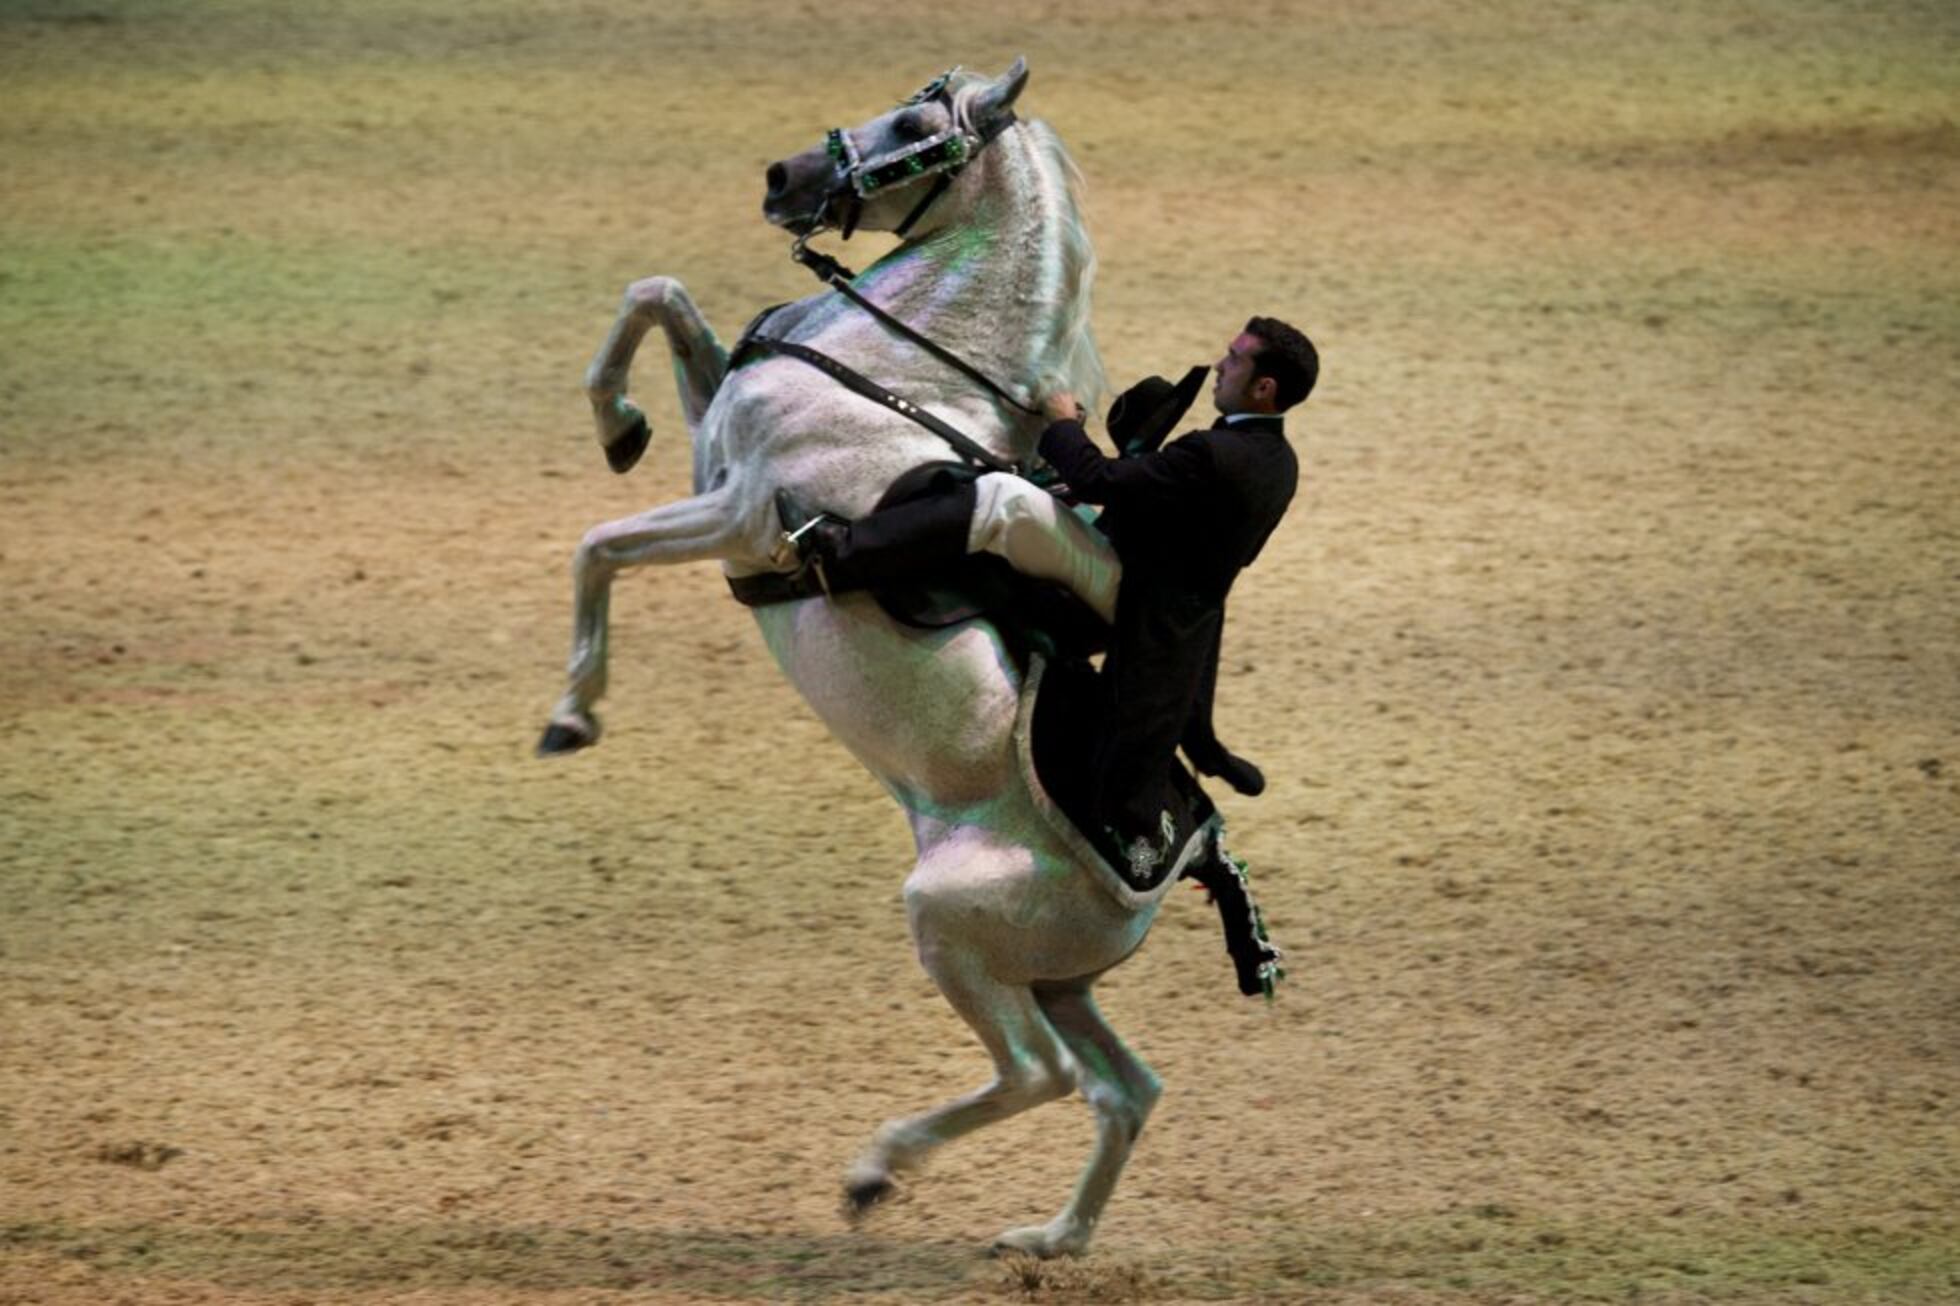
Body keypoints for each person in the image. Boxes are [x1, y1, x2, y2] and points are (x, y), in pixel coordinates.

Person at [780, 316, 1318, 875]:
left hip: (1130, 594)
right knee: (1039, 495)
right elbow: (1167, 510)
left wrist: (1063, 425)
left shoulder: (1215, 452)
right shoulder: (1279, 461)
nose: (1221, 365)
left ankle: (838, 551)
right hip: (1170, 598)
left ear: (1264, 388)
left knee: (1003, 501)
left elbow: (1098, 482)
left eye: (1235, 359)